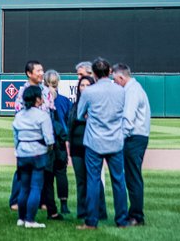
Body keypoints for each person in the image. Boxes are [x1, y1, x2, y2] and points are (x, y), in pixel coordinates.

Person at [76, 58, 130, 230]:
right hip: (115, 140)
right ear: (109, 72)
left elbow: (79, 115)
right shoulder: (120, 90)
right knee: (119, 181)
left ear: (94, 74)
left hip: (94, 141)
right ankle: (122, 220)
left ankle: (91, 221)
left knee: (93, 181)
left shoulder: (89, 92)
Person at [9, 60, 51, 211]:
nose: (41, 73)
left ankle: (42, 201)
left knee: (44, 171)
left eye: (42, 70)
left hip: (42, 137)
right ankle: (15, 201)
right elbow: (19, 114)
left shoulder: (45, 90)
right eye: (38, 71)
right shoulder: (23, 91)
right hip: (29, 136)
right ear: (29, 73)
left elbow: (50, 110)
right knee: (22, 172)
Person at [113, 63, 151, 227]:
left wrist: (120, 138)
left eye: (115, 79)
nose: (115, 83)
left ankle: (136, 215)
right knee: (132, 177)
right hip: (137, 137)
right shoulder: (134, 88)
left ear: (121, 77)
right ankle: (135, 213)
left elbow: (128, 118)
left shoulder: (132, 91)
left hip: (134, 138)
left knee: (133, 177)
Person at [12, 84, 53, 229]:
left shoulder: (19, 115)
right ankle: (30, 220)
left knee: (24, 188)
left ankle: (21, 219)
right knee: (35, 187)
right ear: (37, 99)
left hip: (22, 153)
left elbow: (16, 138)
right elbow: (49, 139)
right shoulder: (43, 116)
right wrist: (48, 149)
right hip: (38, 153)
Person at [68, 76, 106, 223]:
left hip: (93, 146)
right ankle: (82, 212)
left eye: (87, 85)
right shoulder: (75, 105)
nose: (84, 87)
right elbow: (70, 126)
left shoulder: (96, 105)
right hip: (77, 147)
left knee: (95, 179)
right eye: (82, 85)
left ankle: (100, 211)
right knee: (81, 181)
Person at [42, 69, 70, 218]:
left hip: (46, 141)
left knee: (47, 175)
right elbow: (69, 121)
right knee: (61, 172)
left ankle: (48, 205)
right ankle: (64, 205)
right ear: (57, 82)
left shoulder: (42, 99)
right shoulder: (65, 100)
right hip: (61, 141)